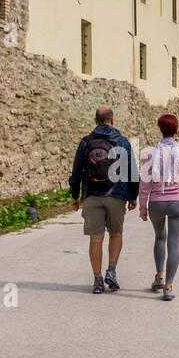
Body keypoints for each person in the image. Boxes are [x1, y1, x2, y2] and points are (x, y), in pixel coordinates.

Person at [69, 105, 138, 293]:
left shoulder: (85, 142)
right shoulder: (123, 142)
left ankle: (98, 279)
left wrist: (75, 195)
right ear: (112, 120)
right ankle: (112, 272)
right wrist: (133, 195)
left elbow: (76, 171)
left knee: (96, 239)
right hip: (117, 194)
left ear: (95, 121)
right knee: (116, 233)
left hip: (92, 195)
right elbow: (132, 171)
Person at [139, 114, 179, 302]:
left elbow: (144, 184)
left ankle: (159, 277)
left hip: (156, 202)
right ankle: (169, 287)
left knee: (160, 237)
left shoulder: (150, 153)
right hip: (178, 202)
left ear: (160, 129)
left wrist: (142, 208)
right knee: (174, 244)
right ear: (176, 129)